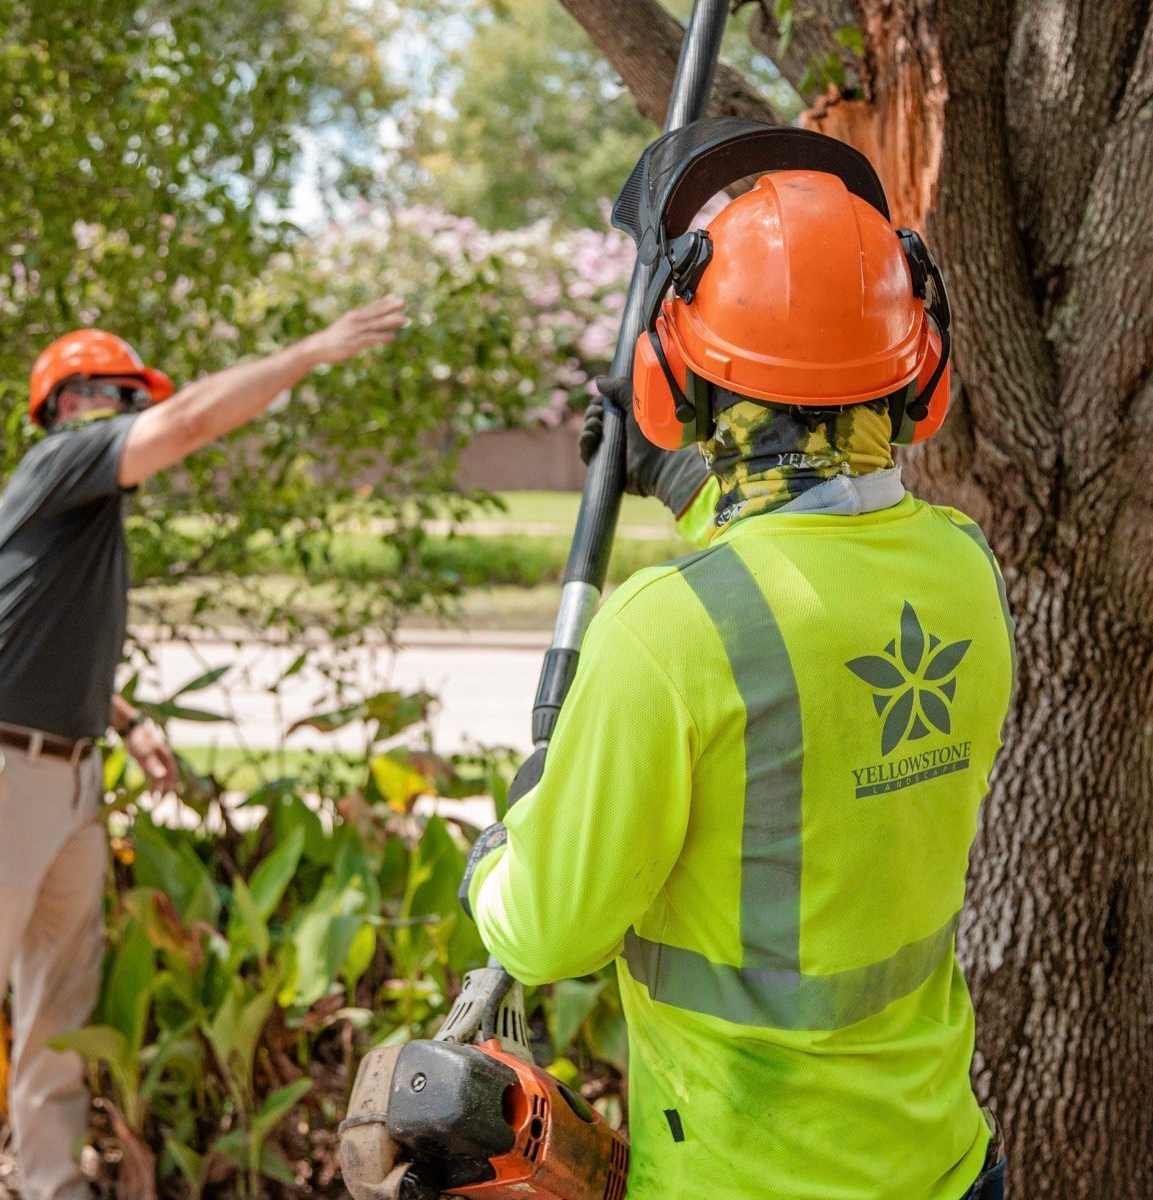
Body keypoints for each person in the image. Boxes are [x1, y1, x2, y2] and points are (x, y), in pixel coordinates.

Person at [462, 163, 1012, 1198]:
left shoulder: (666, 634)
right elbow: (812, 561)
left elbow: (547, 934)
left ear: (677, 387)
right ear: (918, 379)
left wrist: (498, 856)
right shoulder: (964, 571)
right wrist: (684, 481)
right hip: (946, 1164)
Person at [0, 297, 405, 1200]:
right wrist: (311, 351)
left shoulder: (83, 513)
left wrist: (126, 721)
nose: (129, 408)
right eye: (113, 393)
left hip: (64, 775)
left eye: (132, 393)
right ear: (64, 406)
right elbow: (190, 419)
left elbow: (29, 643)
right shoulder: (61, 460)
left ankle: (51, 1183)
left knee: (60, 1004)